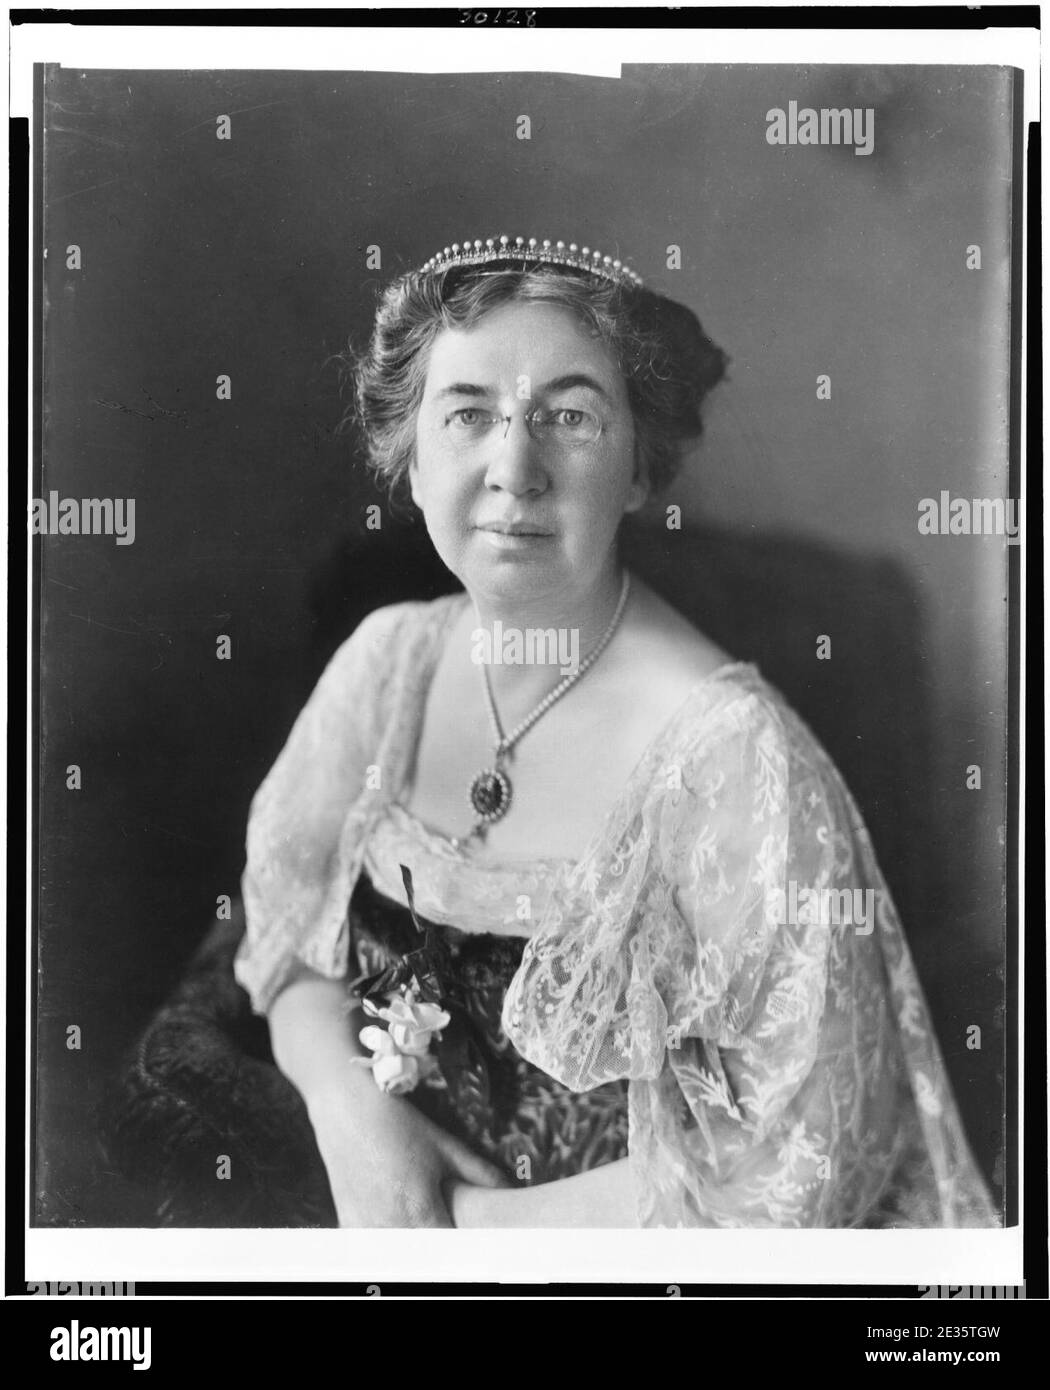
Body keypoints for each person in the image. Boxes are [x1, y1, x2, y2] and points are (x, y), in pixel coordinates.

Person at [234, 234, 996, 1229]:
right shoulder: (388, 667)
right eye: (468, 414)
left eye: (570, 415)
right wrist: (352, 1113)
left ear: (640, 466)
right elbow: (283, 941)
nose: (515, 468)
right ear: (410, 459)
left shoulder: (735, 763)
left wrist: (458, 1228)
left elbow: (801, 1165)